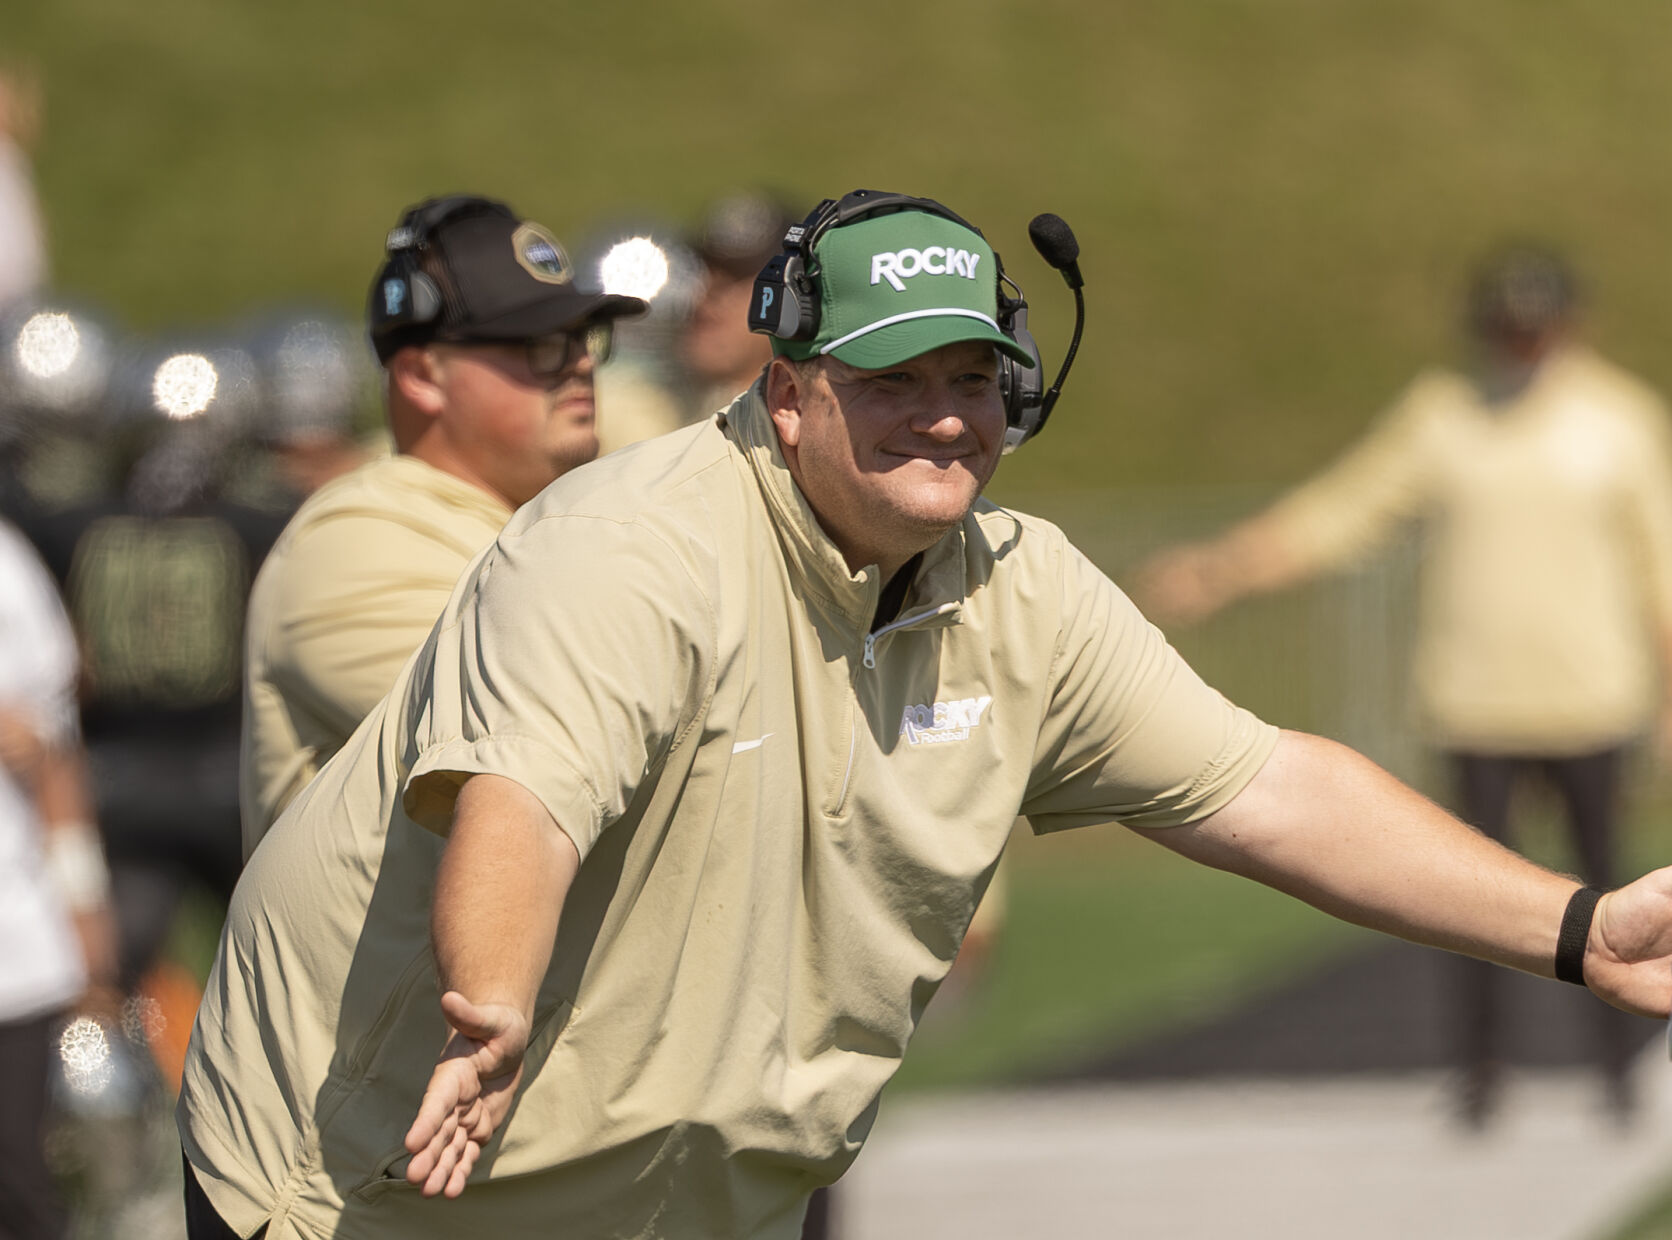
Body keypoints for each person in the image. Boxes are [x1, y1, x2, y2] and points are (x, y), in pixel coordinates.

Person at [177, 192, 1672, 1240]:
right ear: (788, 395)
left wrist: (1574, 925)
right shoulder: (636, 544)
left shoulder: (1022, 588)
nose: (946, 416)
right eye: (895, 379)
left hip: (674, 1205)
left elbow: (1264, 787)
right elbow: (527, 794)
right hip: (368, 1191)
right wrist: (491, 997)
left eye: (977, 376)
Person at [1136, 243, 1672, 1125]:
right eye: (1509, 326)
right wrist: (1226, 567)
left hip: (1592, 701)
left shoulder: (1623, 420)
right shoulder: (1445, 416)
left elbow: (1658, 567)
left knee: (1614, 895)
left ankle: (1618, 1075)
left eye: (1539, 326)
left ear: (1572, 325)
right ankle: (1482, 1078)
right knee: (1469, 902)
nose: (1524, 343)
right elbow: (1345, 512)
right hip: (1477, 701)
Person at [238, 196, 646, 854]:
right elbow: (552, 728)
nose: (578, 363)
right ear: (425, 374)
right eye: (540, 343)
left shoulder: (543, 520)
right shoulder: (353, 541)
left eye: (582, 336)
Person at [0, 515, 115, 1240]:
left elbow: (56, 765)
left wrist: (89, 932)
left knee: (22, 1183)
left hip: (14, 958)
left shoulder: (5, 565)